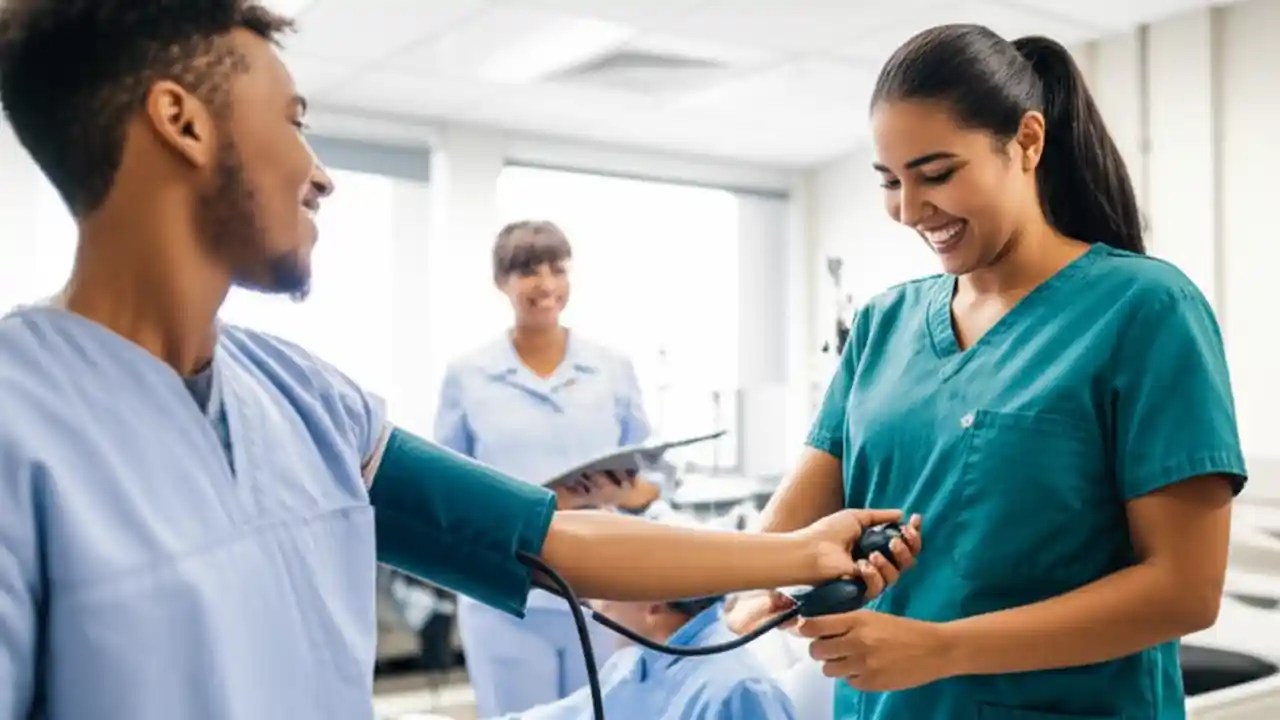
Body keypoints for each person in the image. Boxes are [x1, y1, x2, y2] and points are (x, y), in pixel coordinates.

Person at [0, 4, 923, 720]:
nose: (320, 173)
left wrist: (789, 550)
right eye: (291, 120)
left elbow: (551, 539)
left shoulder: (311, 402)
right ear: (181, 122)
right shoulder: (20, 423)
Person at [726, 23, 1246, 720]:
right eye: (890, 181)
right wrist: (764, 589)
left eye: (937, 174)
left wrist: (941, 648)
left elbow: (1183, 590)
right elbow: (784, 538)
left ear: (1027, 142)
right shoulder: (884, 324)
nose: (910, 210)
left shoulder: (1146, 310)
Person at [435, 220, 660, 716]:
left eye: (557, 268)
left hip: (602, 590)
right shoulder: (468, 375)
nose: (545, 284)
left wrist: (616, 494)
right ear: (501, 282)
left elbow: (654, 479)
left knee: (607, 712)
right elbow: (446, 488)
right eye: (527, 271)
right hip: (505, 592)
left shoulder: (611, 367)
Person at [500, 596, 797, 720]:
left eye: (610, 590)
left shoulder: (739, 690)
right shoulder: (633, 663)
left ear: (654, 603)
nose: (599, 605)